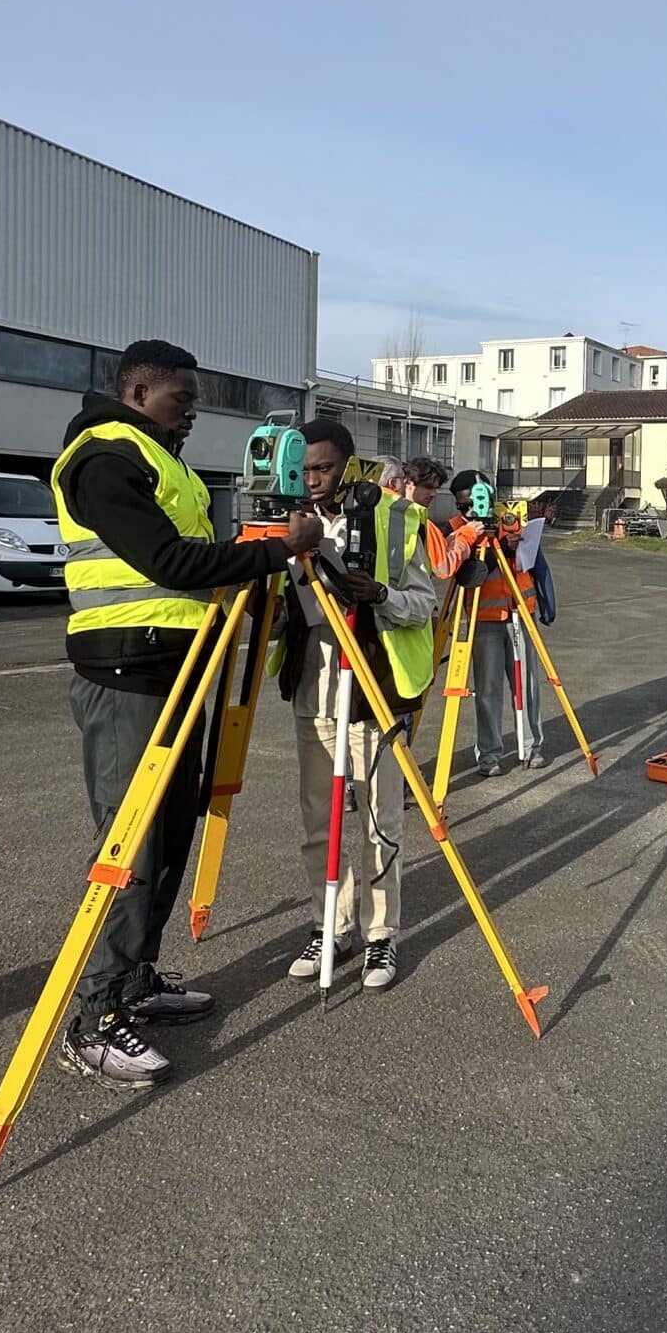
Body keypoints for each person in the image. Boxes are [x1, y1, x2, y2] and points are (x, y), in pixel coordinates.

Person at [51, 338, 321, 1087]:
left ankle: (136, 980)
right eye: (183, 399)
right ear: (139, 393)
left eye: (196, 400)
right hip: (126, 673)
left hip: (177, 669)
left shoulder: (160, 460)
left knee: (172, 831)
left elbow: (192, 565)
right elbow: (169, 562)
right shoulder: (104, 458)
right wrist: (272, 554)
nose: (194, 413)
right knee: (131, 848)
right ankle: (95, 1015)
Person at [278, 417, 439, 991]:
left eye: (323, 467)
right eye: (305, 470)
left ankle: (379, 936)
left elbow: (425, 602)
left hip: (372, 690)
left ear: (348, 464)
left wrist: (383, 596)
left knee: (379, 822)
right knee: (318, 823)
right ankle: (331, 923)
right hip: (313, 692)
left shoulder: (394, 520)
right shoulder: (289, 526)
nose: (313, 480)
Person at [443, 469, 546, 776]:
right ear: (459, 504)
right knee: (487, 691)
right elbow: (458, 570)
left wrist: (514, 545)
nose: (475, 506)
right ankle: (489, 754)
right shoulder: (456, 530)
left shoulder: (508, 520)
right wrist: (475, 539)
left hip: (521, 613)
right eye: (468, 502)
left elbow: (529, 559)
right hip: (484, 619)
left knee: (526, 685)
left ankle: (532, 747)